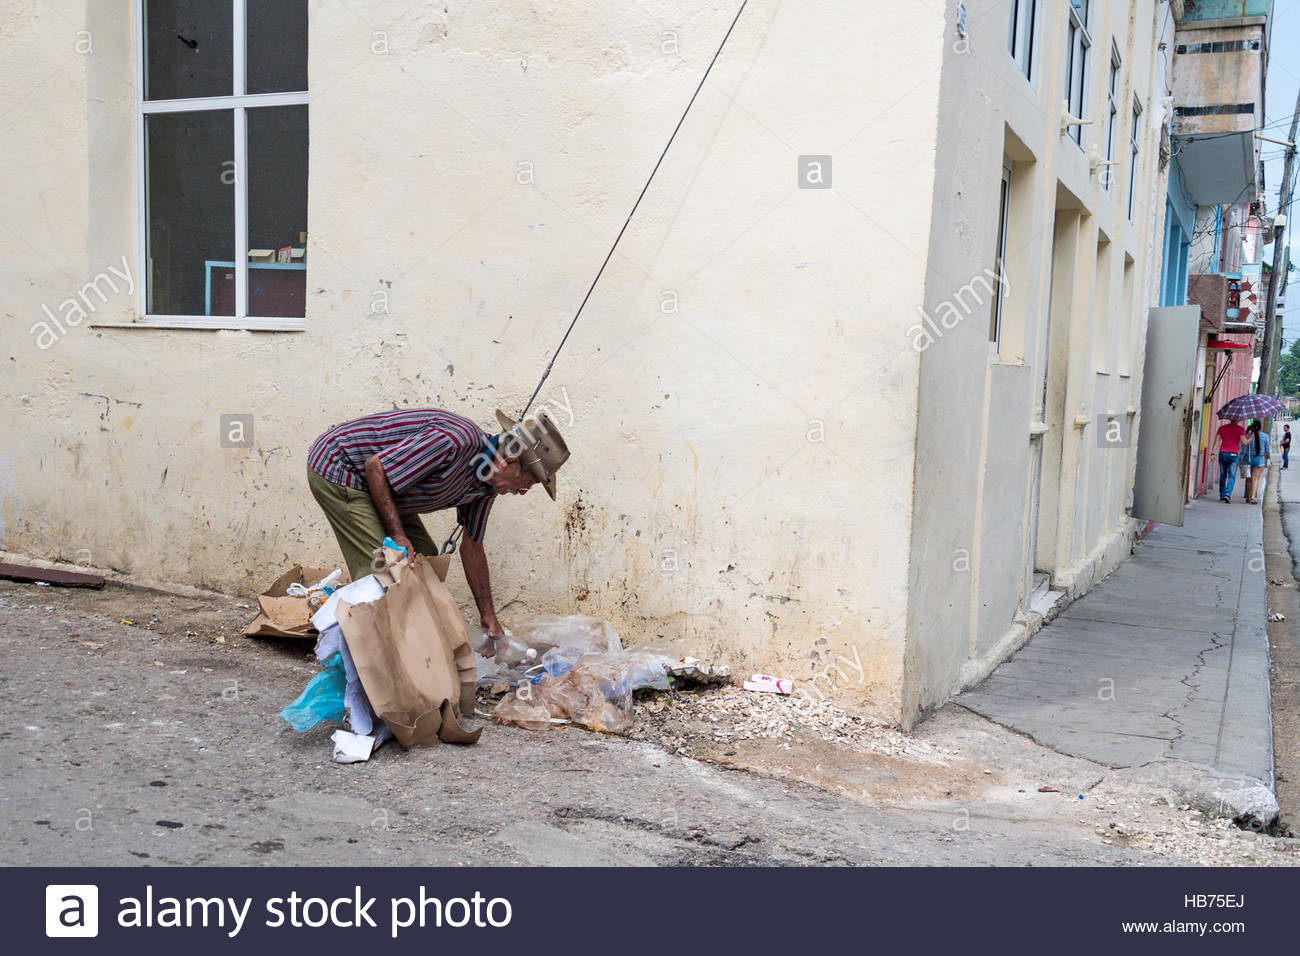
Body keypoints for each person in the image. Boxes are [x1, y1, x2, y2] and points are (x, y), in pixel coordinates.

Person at [306, 407, 570, 640]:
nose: (523, 491)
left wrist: (488, 615)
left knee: (425, 561)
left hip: (388, 489)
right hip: (342, 467)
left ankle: (414, 652)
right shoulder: (455, 442)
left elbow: (472, 546)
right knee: (382, 571)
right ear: (511, 462)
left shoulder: (485, 487)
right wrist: (397, 535)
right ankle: (370, 668)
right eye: (527, 482)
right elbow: (376, 467)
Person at [1212, 418, 1247, 502]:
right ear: (1238, 420)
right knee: (1232, 475)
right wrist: (1251, 438)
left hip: (1223, 453)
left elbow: (1216, 442)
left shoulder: (1222, 428)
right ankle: (1228, 494)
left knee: (1223, 475)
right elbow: (1244, 442)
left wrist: (1213, 453)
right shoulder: (1241, 429)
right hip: (1234, 454)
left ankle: (1222, 495)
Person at [1244, 419, 1271, 504]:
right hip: (1260, 460)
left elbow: (1244, 449)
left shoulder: (1249, 435)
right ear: (1260, 427)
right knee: (1255, 479)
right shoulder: (1265, 436)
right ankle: (1253, 497)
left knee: (1249, 479)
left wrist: (1241, 458)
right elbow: (1267, 450)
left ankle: (1248, 497)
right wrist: (1267, 457)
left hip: (1249, 459)